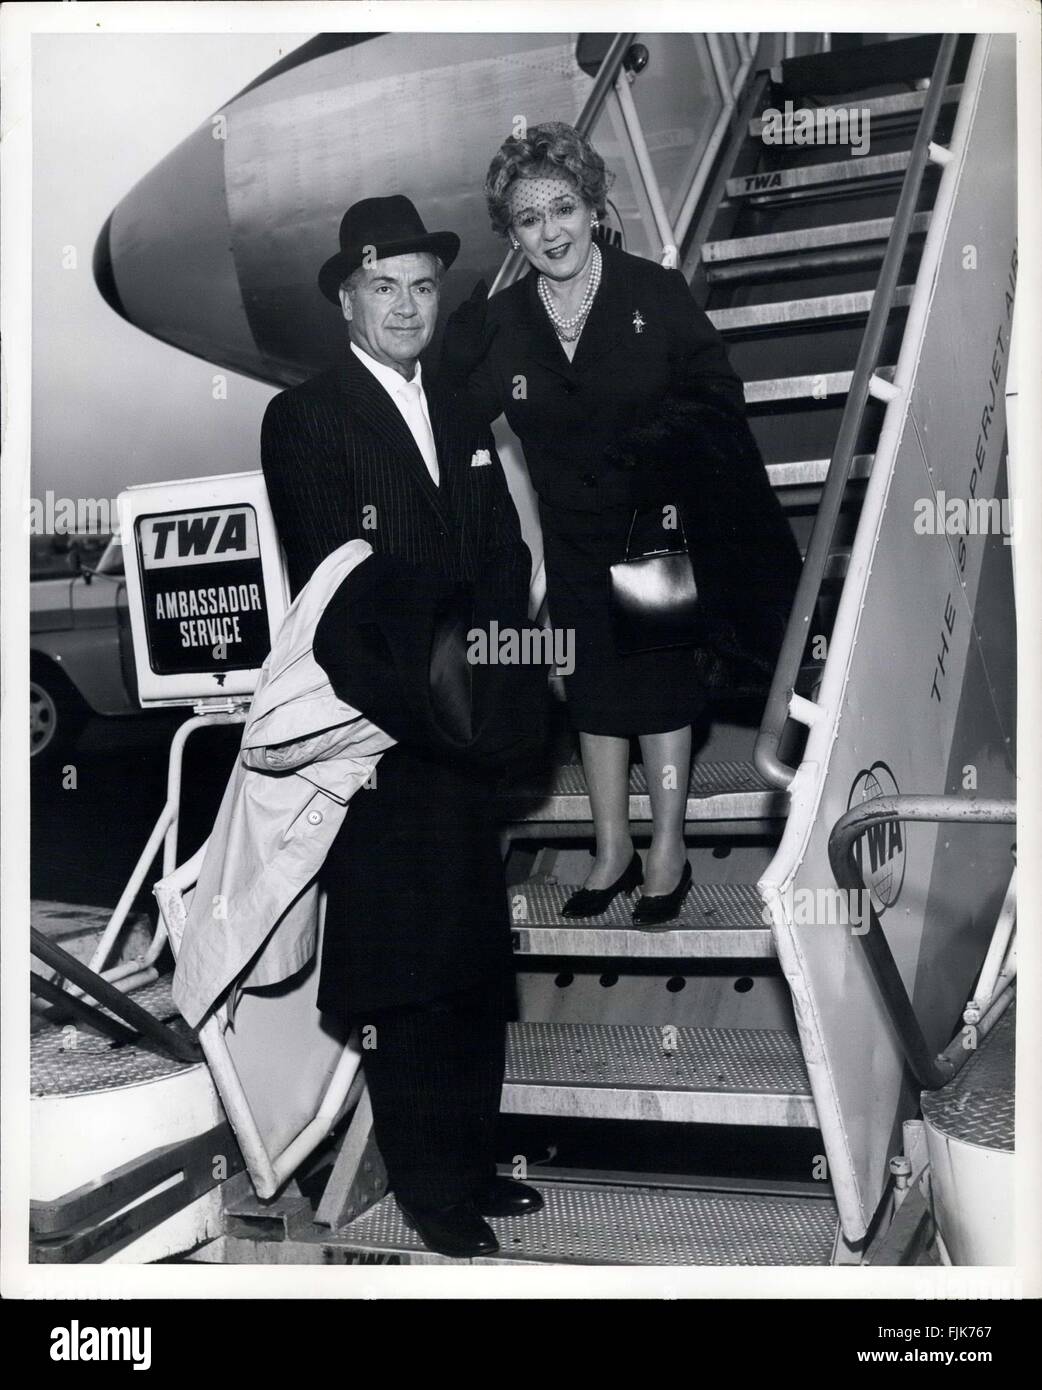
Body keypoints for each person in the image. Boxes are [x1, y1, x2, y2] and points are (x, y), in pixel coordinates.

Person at [259, 195, 545, 1259]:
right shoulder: (306, 418)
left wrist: (502, 681)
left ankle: (471, 1162)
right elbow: (340, 594)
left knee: (473, 957)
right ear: (348, 299)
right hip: (384, 733)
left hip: (466, 720)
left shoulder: (466, 408)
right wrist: (431, 710)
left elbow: (508, 556)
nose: (409, 305)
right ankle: (430, 1189)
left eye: (424, 287)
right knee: (405, 970)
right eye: (386, 287)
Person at [442, 122, 801, 927]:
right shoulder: (502, 322)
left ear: (593, 204)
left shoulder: (651, 290)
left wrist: (658, 456)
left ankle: (666, 850)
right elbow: (455, 422)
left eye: (563, 209)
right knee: (592, 691)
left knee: (661, 688)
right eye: (529, 220)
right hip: (570, 532)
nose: (550, 232)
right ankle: (612, 851)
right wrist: (444, 360)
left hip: (654, 520)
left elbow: (718, 392)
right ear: (512, 232)